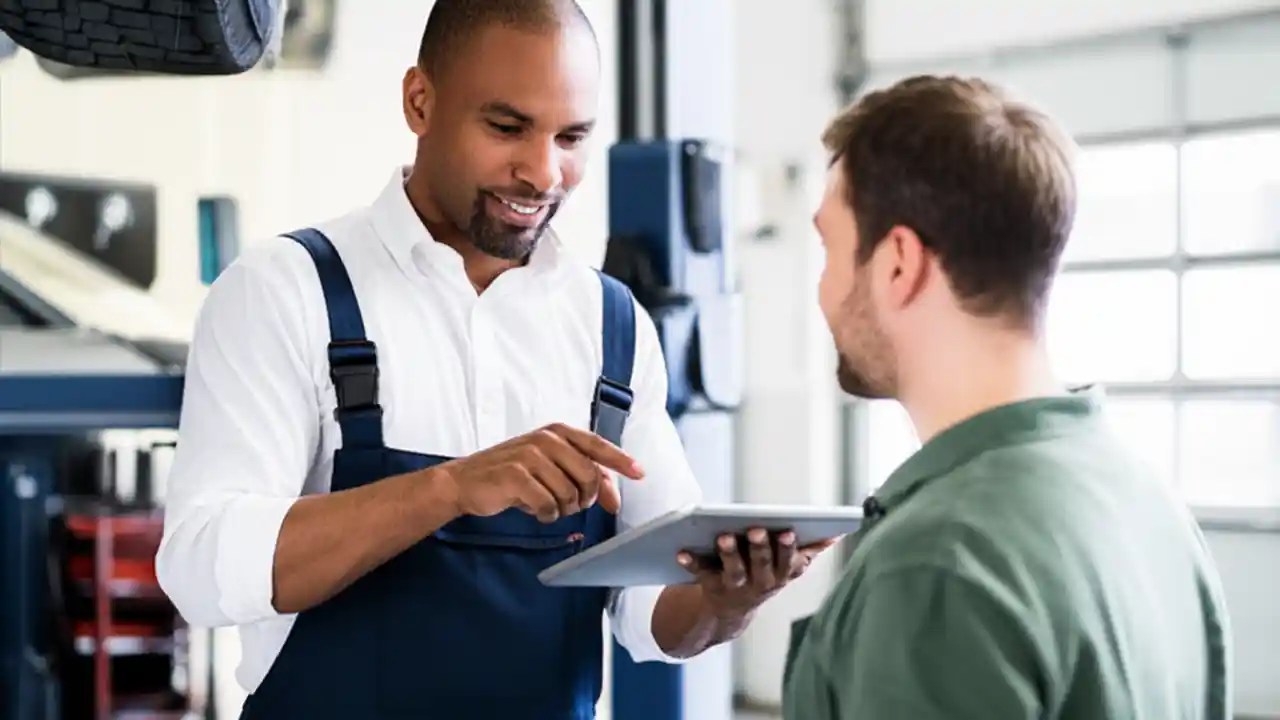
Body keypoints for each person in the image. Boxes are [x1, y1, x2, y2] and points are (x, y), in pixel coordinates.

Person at [155, 1, 832, 717]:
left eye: (571, 137)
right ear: (420, 101)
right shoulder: (285, 291)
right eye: (507, 128)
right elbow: (201, 568)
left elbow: (649, 609)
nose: (542, 173)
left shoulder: (612, 326)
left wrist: (727, 602)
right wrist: (448, 489)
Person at [782, 75, 1232, 719]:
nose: (823, 290)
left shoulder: (936, 567)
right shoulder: (1145, 499)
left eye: (829, 249)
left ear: (899, 263)